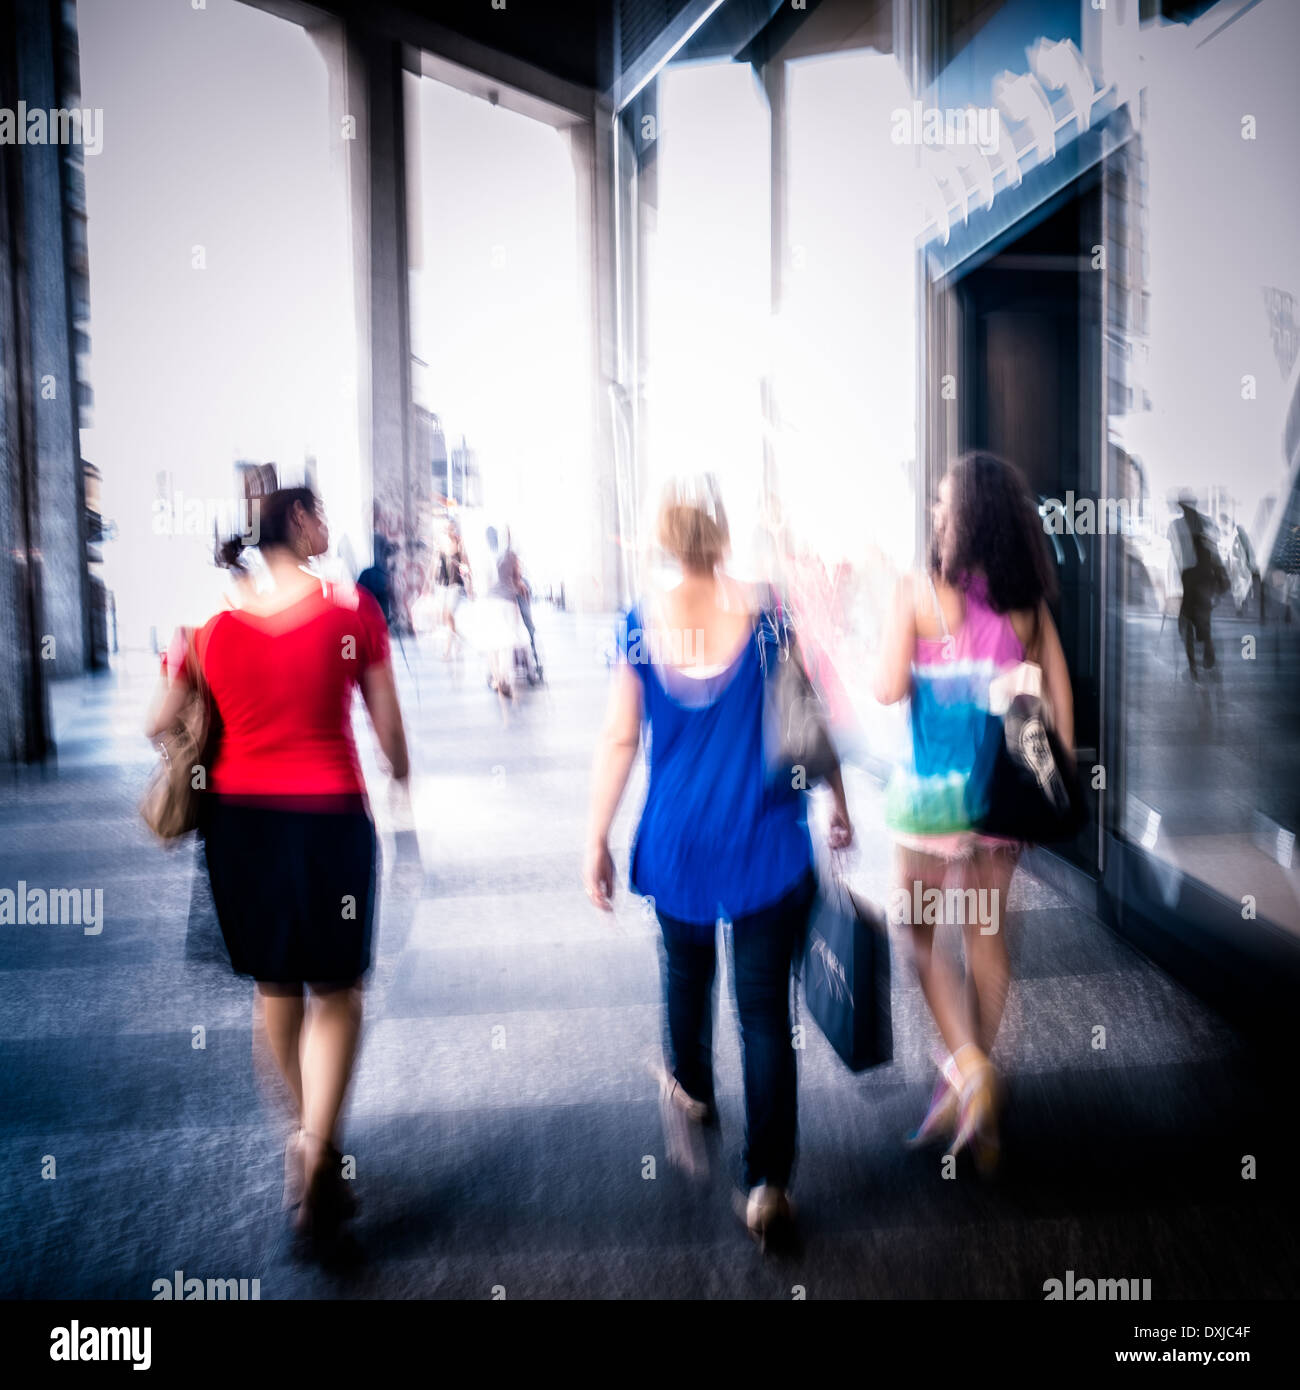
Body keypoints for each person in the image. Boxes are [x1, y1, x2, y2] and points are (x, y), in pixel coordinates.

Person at [583, 476, 852, 1252]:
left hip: (678, 839)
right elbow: (810, 714)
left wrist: (595, 833)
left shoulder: (640, 623)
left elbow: (619, 739)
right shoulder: (768, 613)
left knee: (685, 966)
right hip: (765, 838)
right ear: (723, 533)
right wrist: (838, 799)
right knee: (767, 1015)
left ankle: (693, 1087)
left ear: (664, 540)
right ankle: (767, 1183)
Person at [145, 484, 410, 1260]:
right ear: (298, 522)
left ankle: (303, 1135)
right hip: (330, 820)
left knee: (276, 989)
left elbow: (158, 722)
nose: (329, 525)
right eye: (320, 512)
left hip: (240, 829)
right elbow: (390, 735)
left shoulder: (210, 625)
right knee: (338, 990)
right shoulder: (351, 613)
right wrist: (401, 777)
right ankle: (321, 1145)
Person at [876, 452, 1073, 1175]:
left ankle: (968, 1070)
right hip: (998, 802)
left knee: (918, 940)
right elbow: (1058, 713)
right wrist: (1050, 783)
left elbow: (886, 688)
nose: (933, 514)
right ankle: (976, 1086)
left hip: (930, 807)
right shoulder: (1027, 607)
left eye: (941, 503)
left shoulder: (918, 595)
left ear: (966, 517)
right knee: (986, 943)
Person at [1167, 493, 1227, 680]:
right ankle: (1202, 658)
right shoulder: (1202, 523)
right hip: (1198, 579)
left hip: (1194, 578)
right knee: (1196, 622)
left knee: (1189, 623)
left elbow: (1175, 556)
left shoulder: (1178, 526)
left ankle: (1198, 662)